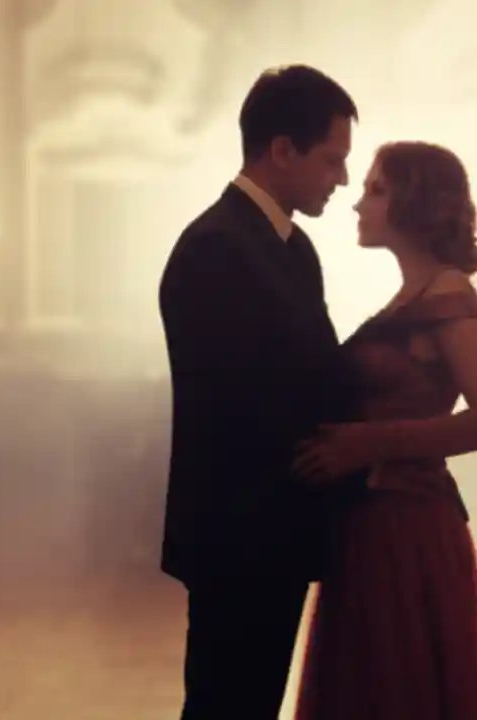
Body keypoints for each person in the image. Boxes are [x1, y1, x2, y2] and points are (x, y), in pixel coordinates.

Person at [158, 64, 364, 719]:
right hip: (239, 534)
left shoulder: (288, 246)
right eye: (333, 159)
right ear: (282, 150)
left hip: (271, 530)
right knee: (227, 706)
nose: (343, 178)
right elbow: (245, 404)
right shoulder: (216, 247)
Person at [293, 141, 477, 719]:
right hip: (373, 521)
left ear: (416, 203)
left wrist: (369, 444)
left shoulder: (449, 296)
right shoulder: (411, 297)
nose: (358, 203)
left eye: (376, 190)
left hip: (409, 524)